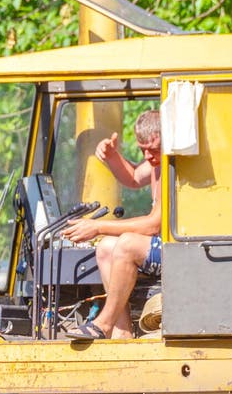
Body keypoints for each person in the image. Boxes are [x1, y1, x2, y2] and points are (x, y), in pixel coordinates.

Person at [63, 109, 162, 340]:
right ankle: (122, 331)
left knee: (127, 244)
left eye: (154, 150)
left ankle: (104, 322)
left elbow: (153, 225)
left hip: (180, 251)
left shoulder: (174, 164)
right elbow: (135, 177)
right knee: (106, 247)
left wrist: (96, 227)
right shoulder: (156, 161)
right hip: (161, 247)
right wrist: (112, 156)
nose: (148, 156)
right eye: (142, 150)